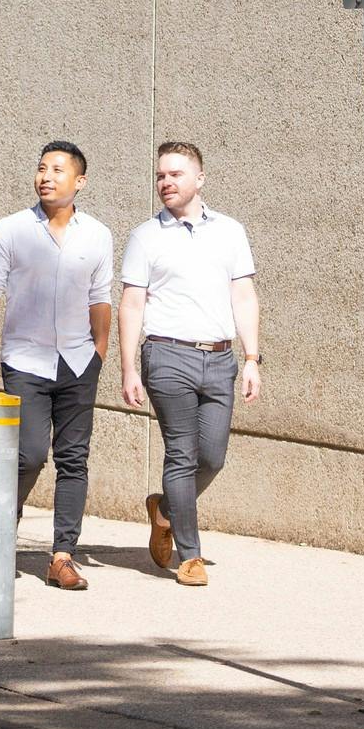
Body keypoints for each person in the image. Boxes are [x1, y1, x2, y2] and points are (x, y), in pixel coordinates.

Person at [0, 141, 115, 591]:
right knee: (28, 454)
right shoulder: (10, 230)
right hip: (25, 360)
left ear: (79, 181)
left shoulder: (98, 235)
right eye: (41, 168)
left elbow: (100, 299)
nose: (46, 176)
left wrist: (98, 355)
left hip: (77, 360)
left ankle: (62, 555)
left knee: (74, 459)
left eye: (57, 170)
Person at [118, 141, 262, 589]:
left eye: (175, 174)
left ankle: (163, 510)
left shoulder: (230, 231)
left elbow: (243, 296)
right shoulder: (146, 235)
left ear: (199, 179)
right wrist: (128, 368)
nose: (165, 182)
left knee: (212, 457)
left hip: (221, 358)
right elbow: (131, 303)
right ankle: (190, 554)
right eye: (160, 175)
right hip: (167, 355)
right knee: (181, 453)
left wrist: (253, 357)